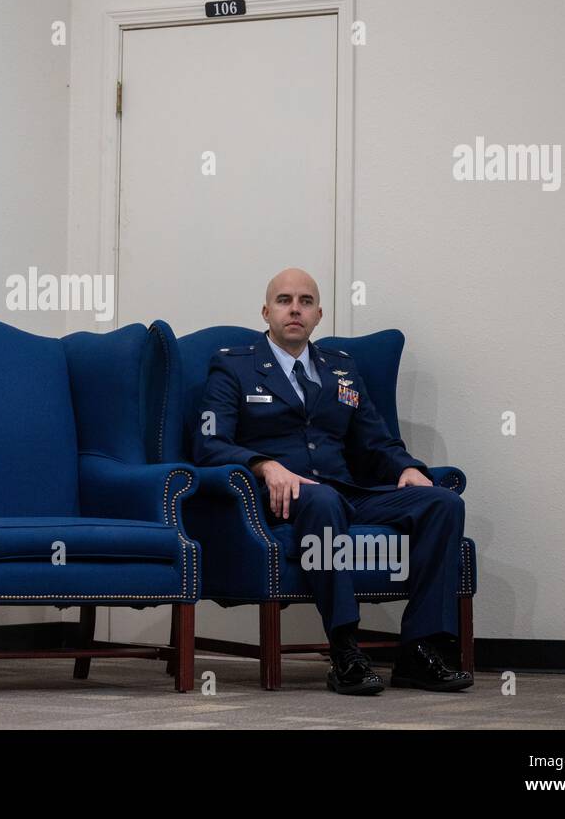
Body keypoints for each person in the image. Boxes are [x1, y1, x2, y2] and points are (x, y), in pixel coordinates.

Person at [194, 268, 472, 695]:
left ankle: (418, 650)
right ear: (266, 311)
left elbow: (376, 441)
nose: (295, 309)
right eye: (284, 300)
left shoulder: (341, 370)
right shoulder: (234, 366)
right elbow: (210, 444)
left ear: (318, 314)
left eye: (305, 301)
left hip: (345, 492)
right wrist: (265, 465)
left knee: (442, 503)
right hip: (283, 498)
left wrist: (406, 468)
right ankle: (345, 650)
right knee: (321, 500)